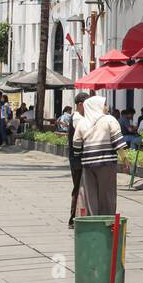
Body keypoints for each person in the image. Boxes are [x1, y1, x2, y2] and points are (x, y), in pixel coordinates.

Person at [71, 95, 124, 216]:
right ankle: (107, 218)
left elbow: (76, 145)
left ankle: (92, 219)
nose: (106, 107)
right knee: (107, 193)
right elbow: (118, 142)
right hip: (107, 163)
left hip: (88, 164)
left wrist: (80, 156)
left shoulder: (82, 122)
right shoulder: (109, 120)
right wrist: (124, 159)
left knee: (90, 194)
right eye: (103, 105)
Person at [66, 92, 89, 228]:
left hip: (78, 159)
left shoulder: (80, 117)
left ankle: (78, 217)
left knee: (80, 188)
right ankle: (73, 218)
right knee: (78, 188)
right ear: (80, 105)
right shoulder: (77, 119)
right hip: (77, 160)